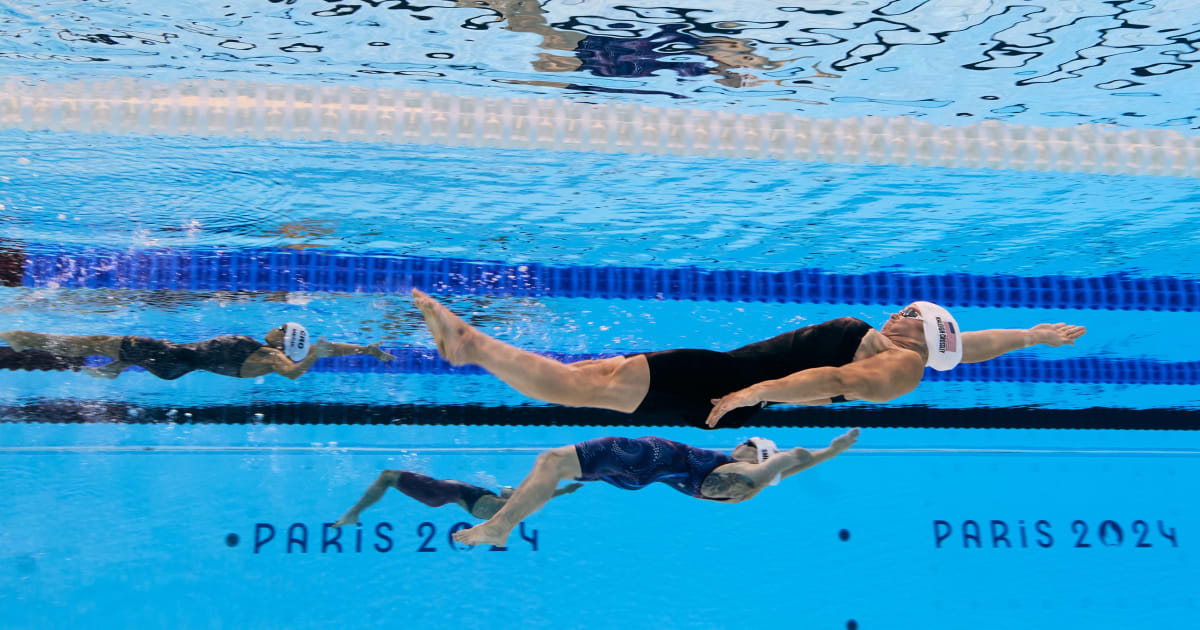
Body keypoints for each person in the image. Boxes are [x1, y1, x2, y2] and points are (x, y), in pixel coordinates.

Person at [412, 289, 1087, 428]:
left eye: (912, 315)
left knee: (576, 385)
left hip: (723, 387)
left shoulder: (898, 367)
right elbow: (973, 345)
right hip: (723, 379)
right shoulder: (912, 347)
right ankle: (473, 348)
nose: (900, 311)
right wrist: (1034, 332)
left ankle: (470, 346)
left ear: (920, 340)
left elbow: (833, 379)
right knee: (586, 382)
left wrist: (751, 395)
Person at [377, 428, 857, 546]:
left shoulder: (742, 470)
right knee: (551, 468)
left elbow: (781, 465)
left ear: (755, 453)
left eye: (748, 444)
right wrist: (832, 452)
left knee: (550, 462)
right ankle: (503, 521)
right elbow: (781, 471)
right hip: (643, 473)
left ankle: (500, 526)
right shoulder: (738, 475)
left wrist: (804, 456)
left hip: (642, 461)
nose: (740, 443)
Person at [0, 323, 394, 380]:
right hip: (172, 364)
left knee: (89, 343)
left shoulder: (270, 357)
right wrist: (368, 349)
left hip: (171, 357)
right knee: (105, 349)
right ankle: (115, 368)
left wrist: (308, 357)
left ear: (280, 339)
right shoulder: (266, 355)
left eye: (283, 328)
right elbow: (320, 349)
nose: (276, 324)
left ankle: (22, 340)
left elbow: (295, 368)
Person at [332, 471, 585, 528]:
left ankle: (355, 512)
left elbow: (538, 495)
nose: (510, 488)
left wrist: (564, 490)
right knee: (388, 477)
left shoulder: (508, 505)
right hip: (439, 492)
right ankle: (355, 512)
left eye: (510, 489)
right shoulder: (498, 502)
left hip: (439, 492)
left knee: (387, 476)